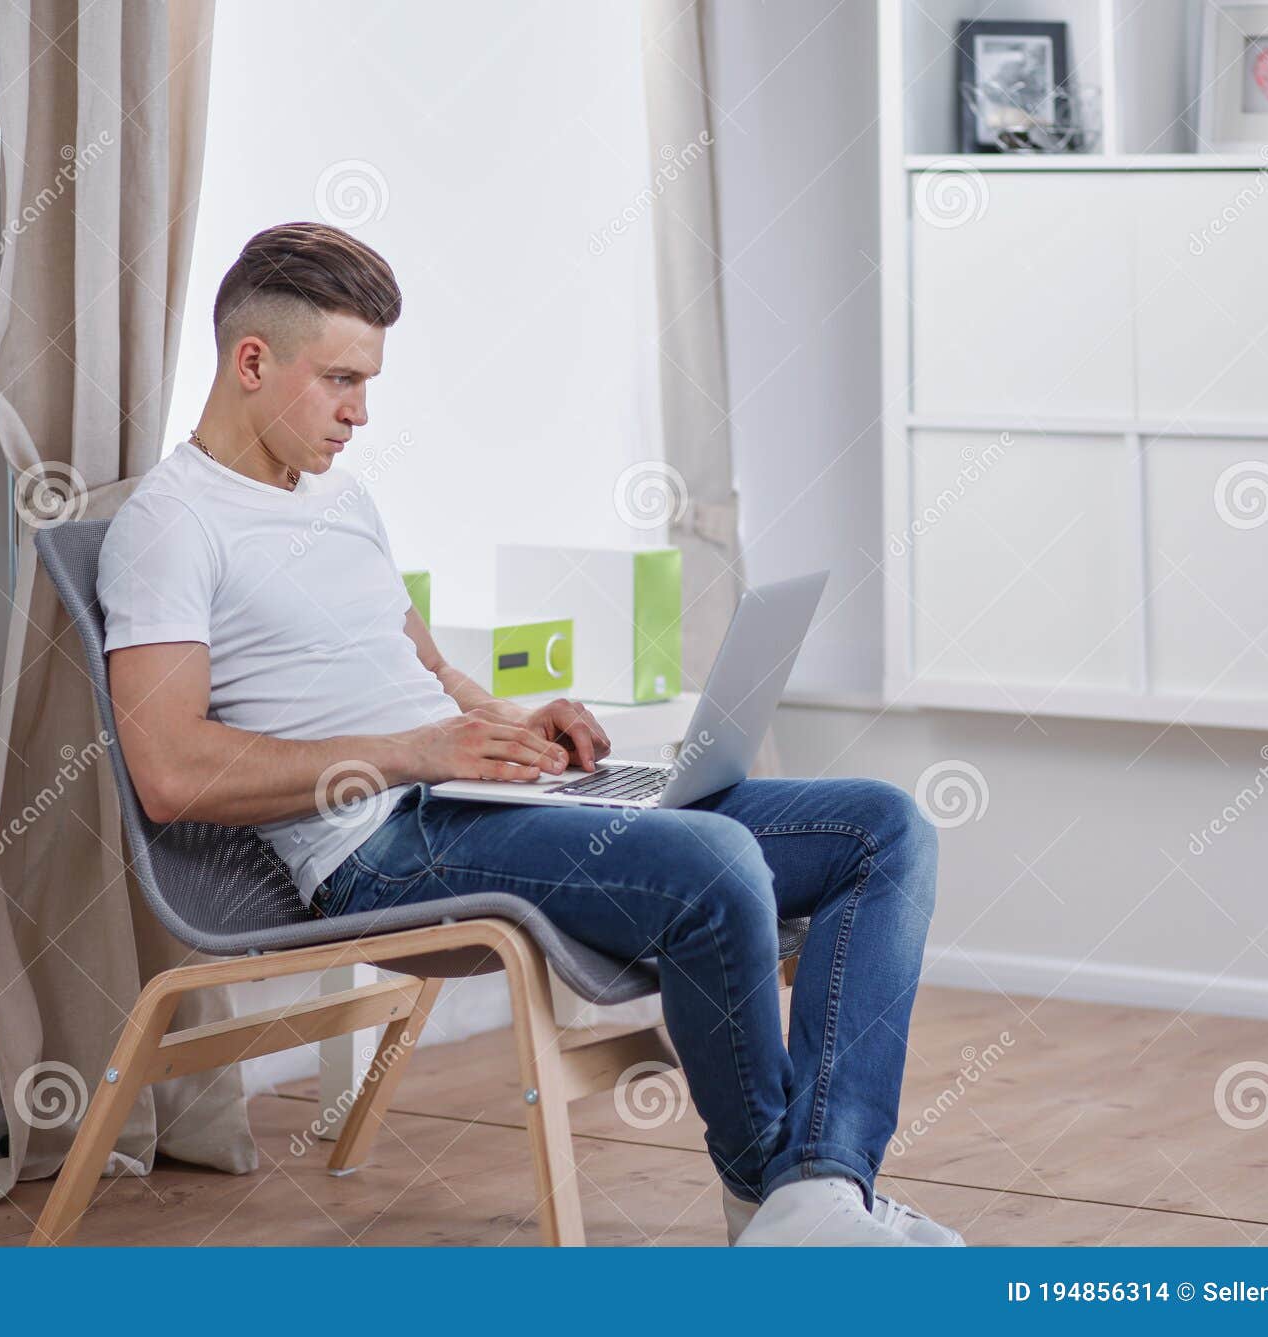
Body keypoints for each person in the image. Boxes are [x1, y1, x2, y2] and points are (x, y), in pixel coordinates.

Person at [97, 221, 963, 1247]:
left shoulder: (340, 497)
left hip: (468, 797)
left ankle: (819, 1188)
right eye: (339, 380)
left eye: (367, 382)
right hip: (375, 850)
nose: (359, 413)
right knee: (716, 858)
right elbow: (169, 772)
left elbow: (420, 665)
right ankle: (771, 1193)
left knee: (883, 825)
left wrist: (513, 719)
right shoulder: (170, 525)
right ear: (252, 361)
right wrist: (422, 753)